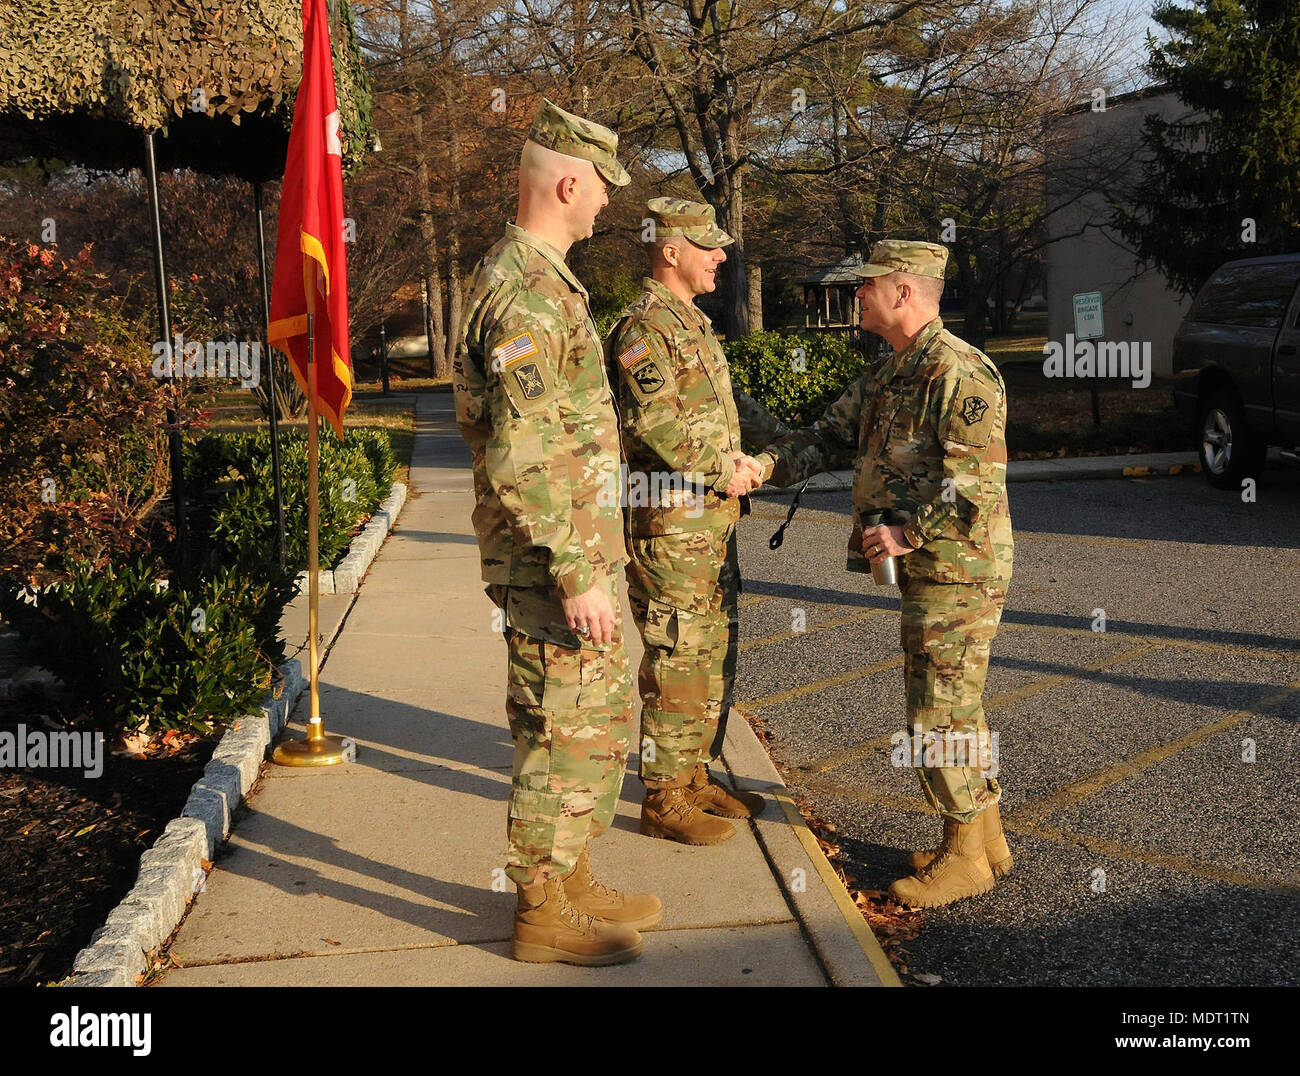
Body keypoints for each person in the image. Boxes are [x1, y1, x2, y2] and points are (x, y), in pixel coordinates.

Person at [454, 99, 660, 965]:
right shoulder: (524, 293)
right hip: (552, 563)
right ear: (570, 181)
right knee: (556, 730)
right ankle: (540, 908)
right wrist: (578, 572)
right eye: (604, 188)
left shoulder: (546, 282)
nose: (610, 204)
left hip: (575, 552)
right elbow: (522, 452)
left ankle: (571, 872)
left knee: (597, 719)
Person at [752, 239, 1015, 908]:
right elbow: (826, 436)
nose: (857, 296)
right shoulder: (893, 372)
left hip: (957, 571)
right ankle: (985, 838)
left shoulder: (960, 373)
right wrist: (760, 468)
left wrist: (906, 531)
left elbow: (974, 484)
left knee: (938, 711)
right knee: (959, 705)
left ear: (902, 292)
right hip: (929, 572)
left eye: (867, 286)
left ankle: (964, 860)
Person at [606, 198, 772, 846]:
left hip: (709, 528)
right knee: (676, 657)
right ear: (670, 250)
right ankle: (664, 797)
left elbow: (726, 411)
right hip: (672, 528)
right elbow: (653, 425)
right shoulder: (642, 327)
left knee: (710, 653)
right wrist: (719, 469)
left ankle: (694, 772)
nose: (720, 256)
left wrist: (786, 438)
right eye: (708, 245)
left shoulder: (691, 324)